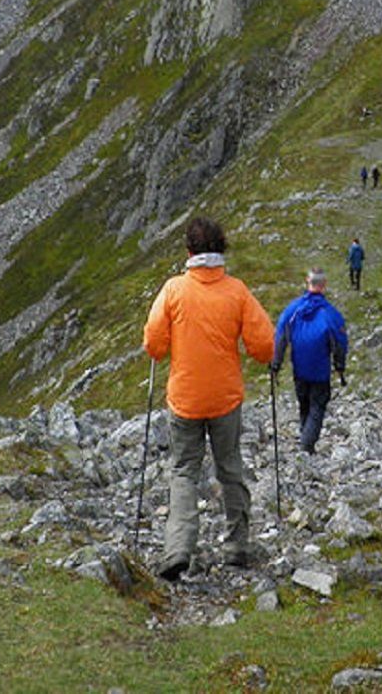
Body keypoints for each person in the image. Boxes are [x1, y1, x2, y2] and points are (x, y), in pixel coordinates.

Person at [142, 216, 275, 581]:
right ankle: (236, 547)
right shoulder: (237, 292)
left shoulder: (173, 290)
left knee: (184, 470)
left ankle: (178, 549)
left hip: (184, 399)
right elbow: (264, 346)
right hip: (225, 399)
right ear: (221, 250)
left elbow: (154, 344)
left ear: (189, 251)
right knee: (229, 466)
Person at [271, 269, 348, 455]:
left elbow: (280, 337)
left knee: (304, 404)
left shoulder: (293, 310)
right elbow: (340, 343)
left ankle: (305, 441)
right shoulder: (330, 314)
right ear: (324, 285)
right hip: (320, 372)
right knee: (318, 406)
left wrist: (276, 364)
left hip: (300, 369)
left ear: (308, 281)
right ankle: (306, 446)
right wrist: (340, 366)